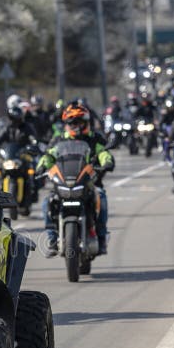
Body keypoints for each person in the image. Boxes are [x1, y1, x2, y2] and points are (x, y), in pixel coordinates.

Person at [37, 103, 114, 256]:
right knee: (47, 202)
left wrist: (107, 162)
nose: (76, 126)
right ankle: (52, 239)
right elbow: (48, 155)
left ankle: (102, 237)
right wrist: (41, 166)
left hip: (89, 183)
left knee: (102, 199)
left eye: (79, 122)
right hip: (64, 183)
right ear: (67, 124)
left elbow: (103, 153)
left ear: (86, 123)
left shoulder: (94, 138)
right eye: (72, 123)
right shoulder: (59, 140)